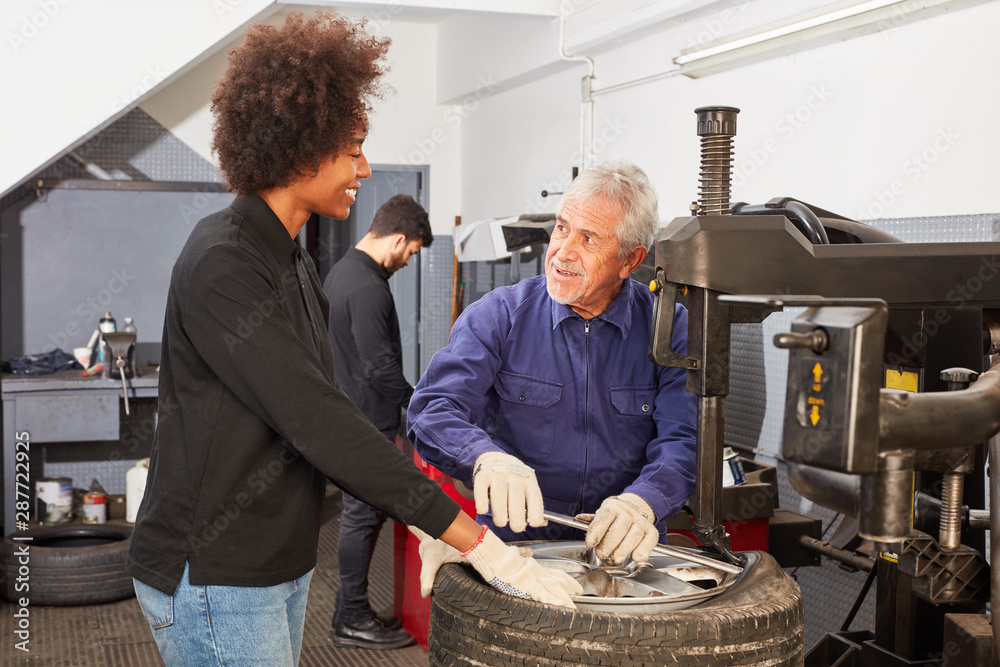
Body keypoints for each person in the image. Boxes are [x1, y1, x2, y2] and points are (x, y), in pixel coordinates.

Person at [125, 12, 580, 667]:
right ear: (299, 147)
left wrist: (424, 518)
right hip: (215, 571)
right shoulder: (224, 260)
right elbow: (316, 419)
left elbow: (328, 410)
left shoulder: (293, 258)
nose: (364, 168)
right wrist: (474, 539)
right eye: (354, 148)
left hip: (274, 562)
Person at [408, 160, 698, 571]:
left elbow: (685, 439)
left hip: (623, 556)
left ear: (630, 260)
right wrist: (484, 456)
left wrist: (643, 502)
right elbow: (432, 409)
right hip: (516, 553)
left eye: (588, 238)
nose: (563, 251)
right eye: (562, 228)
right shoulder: (499, 316)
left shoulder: (667, 329)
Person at [322, 194, 431, 649]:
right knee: (362, 517)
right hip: (363, 423)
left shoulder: (343, 272)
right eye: (411, 252)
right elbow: (378, 367)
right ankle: (350, 617)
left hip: (353, 415)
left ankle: (351, 611)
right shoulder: (367, 287)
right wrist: (420, 408)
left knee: (366, 515)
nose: (407, 262)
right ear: (398, 240)